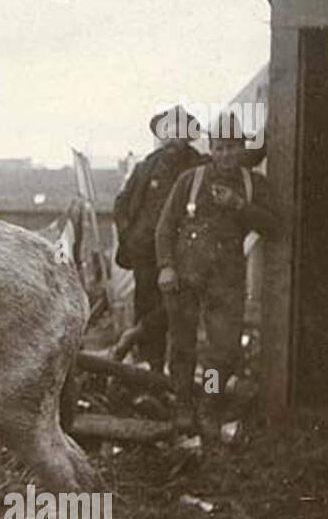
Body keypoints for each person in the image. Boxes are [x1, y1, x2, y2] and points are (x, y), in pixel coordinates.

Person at [155, 113, 279, 433]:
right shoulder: (190, 180)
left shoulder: (252, 184)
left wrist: (239, 205)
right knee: (182, 347)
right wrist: (166, 266)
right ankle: (183, 405)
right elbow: (165, 227)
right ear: (211, 149)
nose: (225, 155)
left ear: (241, 149)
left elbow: (275, 225)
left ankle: (209, 404)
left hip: (226, 281)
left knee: (223, 350)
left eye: (232, 148)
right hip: (184, 278)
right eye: (219, 148)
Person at [111, 105, 206, 368]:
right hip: (145, 252)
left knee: (180, 311)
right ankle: (150, 374)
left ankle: (176, 375)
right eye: (167, 130)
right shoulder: (146, 167)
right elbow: (121, 204)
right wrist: (128, 236)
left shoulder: (200, 167)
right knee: (146, 302)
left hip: (182, 255)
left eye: (179, 131)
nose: (172, 137)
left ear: (189, 135)